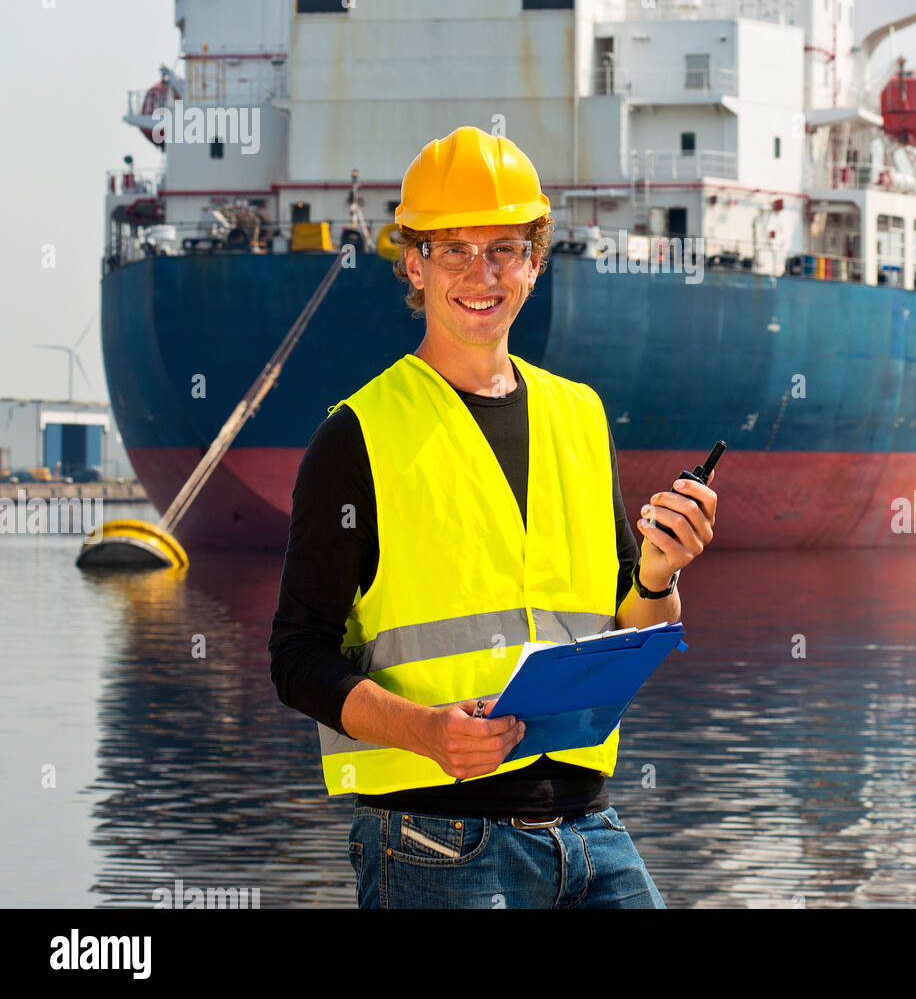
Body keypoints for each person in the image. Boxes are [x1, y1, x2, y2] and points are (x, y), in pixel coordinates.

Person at [269, 125, 717, 909]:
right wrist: (425, 732)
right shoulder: (358, 436)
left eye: (505, 249)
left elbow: (628, 612)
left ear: (535, 261)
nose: (483, 274)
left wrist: (659, 572)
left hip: (588, 830)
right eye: (455, 251)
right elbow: (296, 654)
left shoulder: (580, 416)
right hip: (434, 842)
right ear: (414, 262)